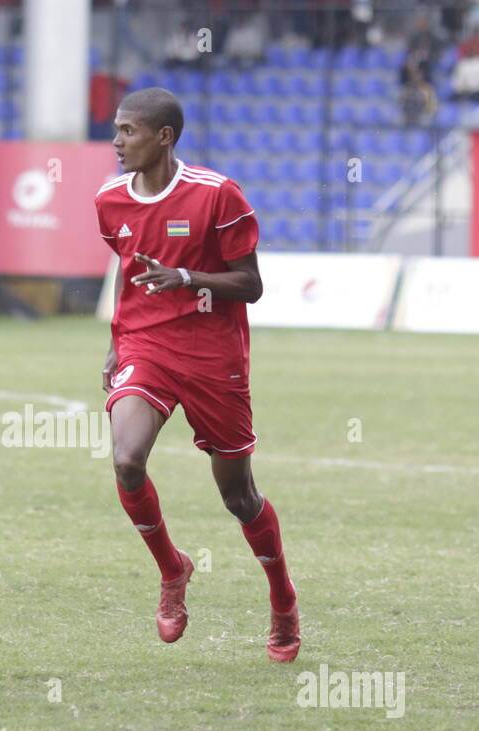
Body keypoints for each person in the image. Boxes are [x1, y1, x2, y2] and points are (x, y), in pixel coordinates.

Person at [94, 88, 300, 662]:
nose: (116, 142)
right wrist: (116, 339)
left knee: (238, 496)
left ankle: (282, 600)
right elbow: (126, 266)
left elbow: (251, 285)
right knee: (126, 459)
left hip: (214, 358)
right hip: (147, 345)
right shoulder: (110, 200)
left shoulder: (218, 195)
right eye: (116, 129)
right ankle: (171, 570)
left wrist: (187, 276)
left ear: (163, 136)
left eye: (128, 131)